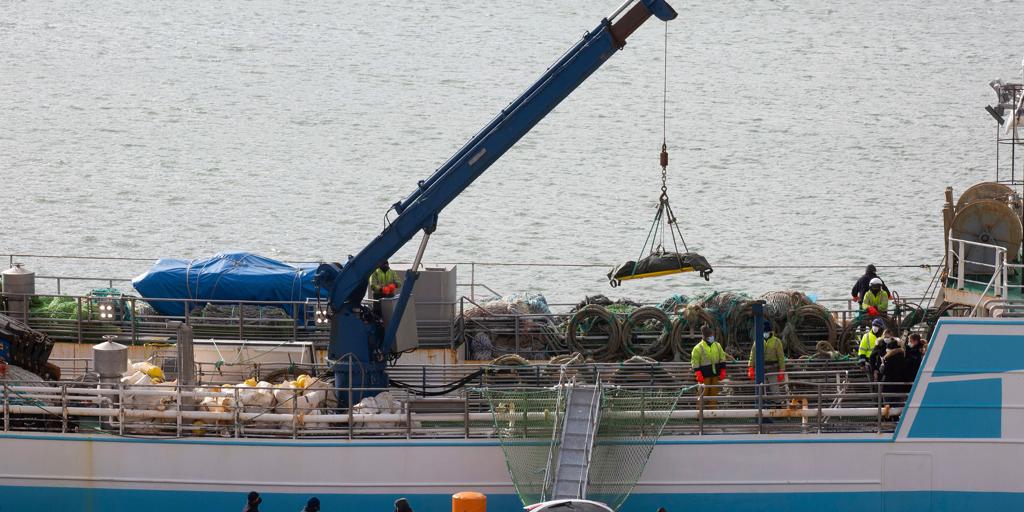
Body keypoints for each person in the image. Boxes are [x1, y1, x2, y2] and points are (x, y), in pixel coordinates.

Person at [747, 321, 787, 399]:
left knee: (774, 388)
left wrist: (782, 370)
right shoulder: (758, 341)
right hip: (760, 368)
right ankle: (762, 405)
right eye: (764, 332)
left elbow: (781, 357)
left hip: (772, 368)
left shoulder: (776, 341)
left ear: (770, 332)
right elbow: (753, 354)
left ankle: (777, 403)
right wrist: (750, 367)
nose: (765, 333)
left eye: (766, 332)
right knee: (760, 388)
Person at [691, 325, 728, 407]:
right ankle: (699, 413)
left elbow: (722, 357)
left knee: (714, 394)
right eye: (711, 336)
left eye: (712, 335)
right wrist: (698, 374)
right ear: (706, 337)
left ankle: (712, 413)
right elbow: (695, 362)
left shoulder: (717, 345)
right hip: (704, 376)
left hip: (715, 375)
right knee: (702, 394)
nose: (712, 337)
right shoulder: (697, 348)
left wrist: (723, 370)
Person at [879, 339, 911, 405]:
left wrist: (882, 365)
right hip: (900, 387)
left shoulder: (888, 359)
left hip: (888, 387)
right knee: (897, 408)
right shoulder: (904, 358)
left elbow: (885, 371)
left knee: (887, 408)